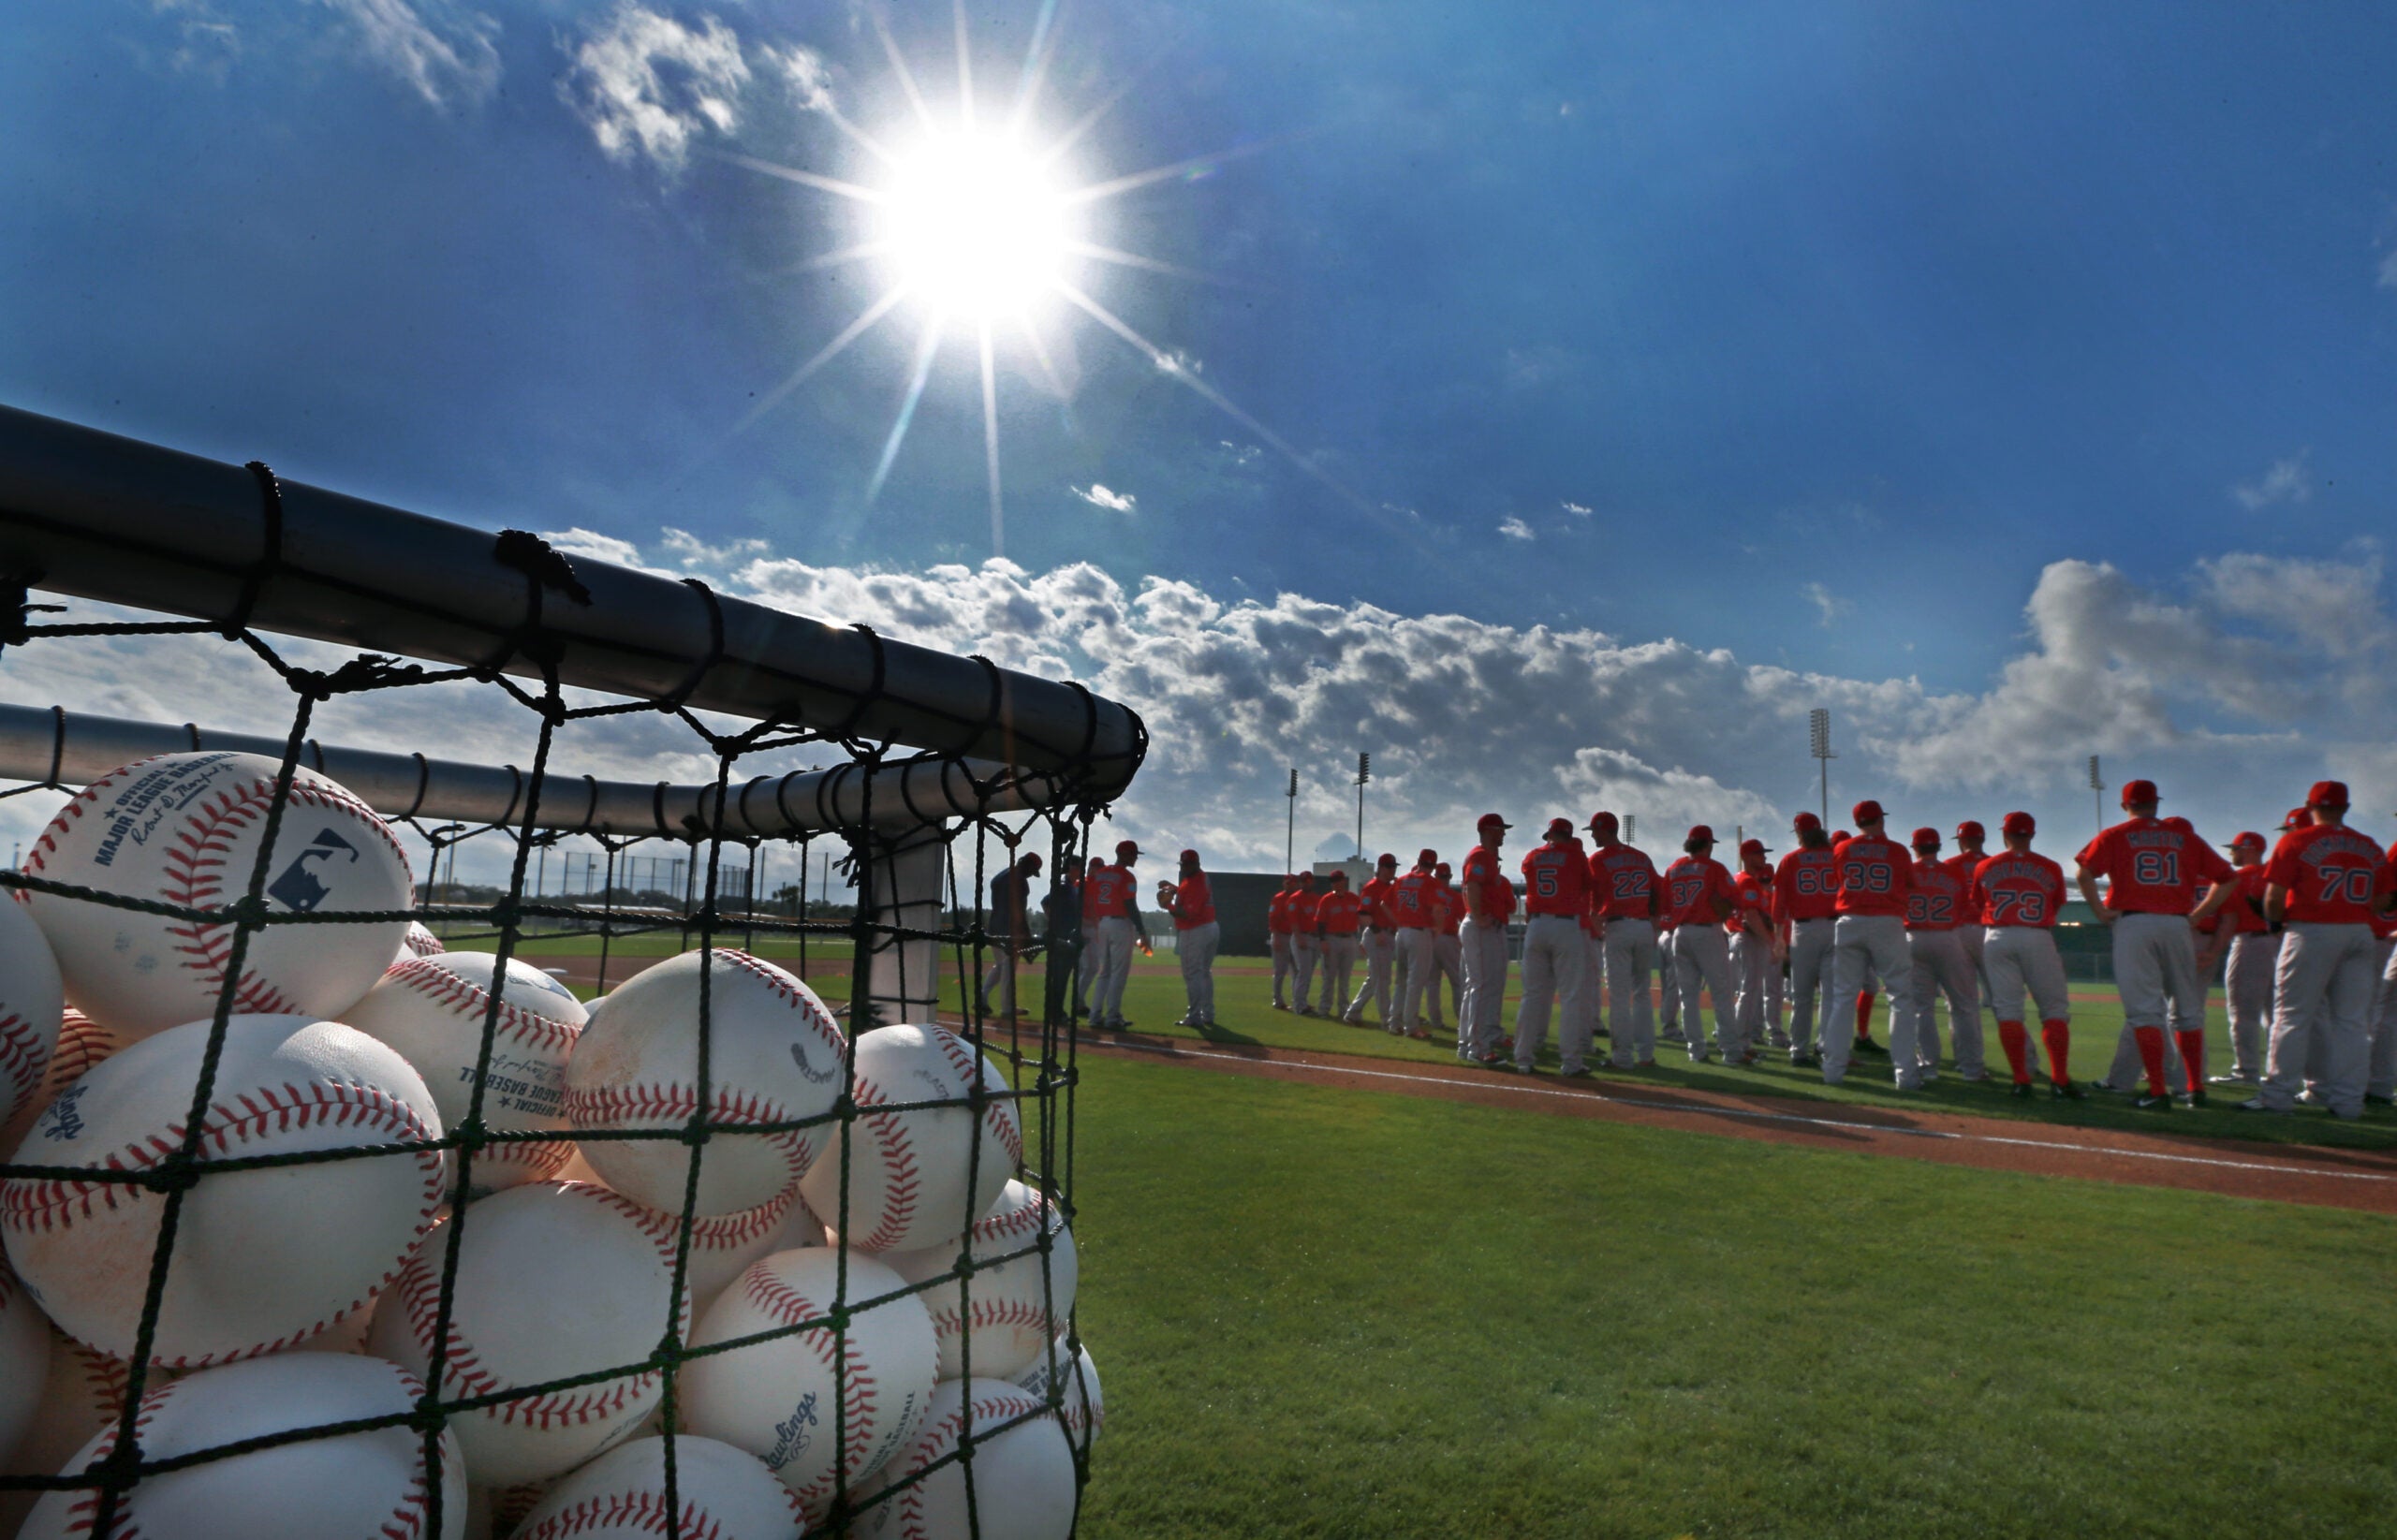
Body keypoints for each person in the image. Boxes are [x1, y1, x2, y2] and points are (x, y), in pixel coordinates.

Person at [2237, 783, 2397, 1120]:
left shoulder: (2295, 839)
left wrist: (2276, 925)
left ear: (2309, 805)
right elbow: (2385, 900)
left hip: (2311, 930)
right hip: (2359, 932)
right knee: (2352, 1022)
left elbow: (2273, 897)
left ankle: (2277, 1095)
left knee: (2293, 1016)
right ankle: (2349, 1102)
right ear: (2347, 807)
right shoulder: (2368, 845)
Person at [2074, 780, 2238, 1109]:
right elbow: (2229, 878)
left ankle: (2159, 1091)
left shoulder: (2114, 835)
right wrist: (2197, 914)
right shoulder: (2185, 837)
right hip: (2177, 923)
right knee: (2188, 1012)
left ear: (2125, 805)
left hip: (2134, 923)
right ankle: (2194, 1089)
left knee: (2145, 1011)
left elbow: (2084, 873)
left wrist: (2100, 911)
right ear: (2156, 803)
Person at [1977, 812, 2078, 1099]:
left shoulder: (1985, 866)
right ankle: (2059, 1080)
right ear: (2031, 835)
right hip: (2037, 934)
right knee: (2054, 1011)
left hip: (1997, 935)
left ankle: (2021, 1081)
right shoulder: (2051, 867)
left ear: (2004, 834)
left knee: (2008, 1011)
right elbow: (2057, 904)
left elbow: (1979, 902)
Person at [1823, 801, 1914, 1087]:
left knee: (1843, 998)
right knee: (1900, 997)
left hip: (1850, 921)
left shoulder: (1842, 848)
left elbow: (1839, 879)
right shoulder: (1898, 851)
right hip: (1887, 921)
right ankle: (1906, 1075)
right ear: (1881, 820)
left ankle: (1833, 1072)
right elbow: (1909, 885)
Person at [1506, 817, 1592, 1075]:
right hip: (1566, 926)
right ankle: (1571, 1062)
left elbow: (1531, 873)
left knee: (1532, 995)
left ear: (1551, 834)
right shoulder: (1576, 856)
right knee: (1570, 997)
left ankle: (1523, 1056)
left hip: (1537, 925)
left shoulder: (1532, 856)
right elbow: (1587, 885)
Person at [2193, 831, 2273, 1085]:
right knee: (2277, 1015)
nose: (2231, 853)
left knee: (2242, 1013)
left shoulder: (2237, 878)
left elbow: (2230, 920)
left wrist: (2214, 951)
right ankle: (2279, 1075)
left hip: (2251, 943)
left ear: (2249, 849)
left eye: (2236, 848)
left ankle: (2246, 1072)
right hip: (2283, 943)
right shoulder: (2277, 875)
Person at [1659, 826, 1744, 1064]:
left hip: (1680, 933)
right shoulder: (1714, 868)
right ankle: (1730, 1051)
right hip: (1707, 932)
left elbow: (1665, 906)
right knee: (1721, 994)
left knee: (1688, 998)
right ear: (1708, 845)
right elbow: (1735, 901)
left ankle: (1696, 1051)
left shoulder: (1673, 868)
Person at [1902, 828, 1979, 1084]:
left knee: (1921, 1008)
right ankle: (1971, 1069)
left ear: (1915, 847)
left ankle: (1929, 1066)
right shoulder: (1953, 871)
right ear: (1938, 847)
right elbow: (1963, 906)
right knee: (1963, 1005)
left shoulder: (1908, 872)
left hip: (1913, 938)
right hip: (1947, 936)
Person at [1590, 812, 1660, 1070]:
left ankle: (1621, 1057)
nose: (1594, 836)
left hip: (1618, 926)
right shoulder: (1641, 857)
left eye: (1595, 831)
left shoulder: (1598, 859)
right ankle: (1646, 1055)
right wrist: (1653, 922)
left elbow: (1591, 895)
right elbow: (1658, 890)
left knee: (1619, 996)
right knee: (1642, 994)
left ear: (1606, 830)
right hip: (1642, 926)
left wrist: (1595, 921)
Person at [1773, 813, 1840, 1068]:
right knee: (1831, 995)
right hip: (1835, 927)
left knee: (1801, 997)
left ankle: (1798, 1051)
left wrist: (1779, 937)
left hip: (1803, 930)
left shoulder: (1791, 860)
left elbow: (1778, 904)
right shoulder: (1836, 855)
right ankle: (1826, 1047)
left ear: (1799, 833)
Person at [1458, 814, 1516, 1064]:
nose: (1503, 833)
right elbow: (1472, 885)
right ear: (1488, 830)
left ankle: (1474, 1042)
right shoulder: (1480, 855)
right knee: (1480, 987)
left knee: (1483, 987)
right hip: (1479, 927)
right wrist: (1479, 915)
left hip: (1487, 926)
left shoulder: (1489, 859)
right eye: (1500, 829)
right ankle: (1476, 1049)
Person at [1942, 820, 1997, 1053]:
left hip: (1958, 933)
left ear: (1961, 841)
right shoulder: (1994, 865)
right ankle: (2026, 1061)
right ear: (1982, 839)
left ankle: (1968, 1059)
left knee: (1961, 1002)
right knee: (2003, 1001)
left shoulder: (1949, 865)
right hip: (1989, 931)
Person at [1085, 841, 1147, 1031]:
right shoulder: (1127, 876)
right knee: (1118, 973)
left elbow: (1095, 900)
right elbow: (1130, 905)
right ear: (1126, 855)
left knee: (1104, 973)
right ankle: (1112, 1017)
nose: (1136, 857)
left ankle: (1095, 1017)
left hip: (1103, 922)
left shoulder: (1101, 873)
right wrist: (1142, 930)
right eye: (1134, 854)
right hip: (1120, 923)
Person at [979, 850, 1044, 1019]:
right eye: (1032, 871)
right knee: (1008, 969)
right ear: (1028, 865)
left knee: (1001, 966)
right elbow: (1018, 912)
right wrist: (1027, 936)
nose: (1031, 875)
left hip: (993, 927)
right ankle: (1007, 1008)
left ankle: (982, 997)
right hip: (1009, 931)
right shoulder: (1020, 881)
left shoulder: (1001, 875)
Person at [1728, 839, 1778, 1054]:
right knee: (1750, 992)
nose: (1764, 857)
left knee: (1750, 992)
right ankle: (1739, 1042)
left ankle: (1740, 1040)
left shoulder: (1742, 879)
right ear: (1747, 857)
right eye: (1759, 853)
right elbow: (1750, 916)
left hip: (1744, 937)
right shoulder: (1747, 881)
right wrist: (1771, 942)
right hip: (1749, 939)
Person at [1162, 848, 1219, 1029]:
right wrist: (1174, 888)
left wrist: (1167, 905)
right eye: (1183, 864)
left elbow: (1187, 913)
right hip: (1208, 927)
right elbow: (1190, 895)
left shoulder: (1197, 882)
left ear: (1197, 864)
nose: (1184, 867)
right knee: (1203, 973)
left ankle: (1194, 1016)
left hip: (1196, 930)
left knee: (1192, 974)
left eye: (1187, 864)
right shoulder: (1196, 879)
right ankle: (1207, 1014)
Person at [1346, 852, 1402, 1027]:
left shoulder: (1392, 887)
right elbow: (1363, 913)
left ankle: (1353, 1013)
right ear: (1382, 868)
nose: (1393, 870)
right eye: (1390, 867)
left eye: (1394, 867)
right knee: (1382, 980)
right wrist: (1377, 933)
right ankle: (1387, 1020)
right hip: (1376, 934)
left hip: (1389, 935)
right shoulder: (1372, 887)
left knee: (1375, 979)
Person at [1390, 849, 1440, 1040]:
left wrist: (1399, 921)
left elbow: (1384, 904)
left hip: (1401, 932)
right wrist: (1439, 928)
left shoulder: (1401, 880)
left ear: (1418, 861)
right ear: (1434, 866)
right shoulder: (1430, 882)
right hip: (1419, 932)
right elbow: (1437, 909)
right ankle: (1411, 1026)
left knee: (1401, 981)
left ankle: (1394, 1023)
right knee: (1416, 982)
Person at [1313, 870, 1363, 1019]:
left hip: (1350, 938)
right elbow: (1320, 922)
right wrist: (1322, 940)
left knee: (1345, 978)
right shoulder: (1326, 899)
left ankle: (1343, 1010)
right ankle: (1324, 1009)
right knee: (1329, 977)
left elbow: (1361, 920)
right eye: (1334, 881)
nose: (1337, 883)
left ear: (1344, 881)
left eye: (1339, 880)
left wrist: (1361, 940)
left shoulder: (1354, 899)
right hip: (1332, 938)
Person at [1427, 861, 1465, 1037]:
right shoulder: (1454, 896)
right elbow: (1464, 919)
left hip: (1430, 939)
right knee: (1457, 982)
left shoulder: (1429, 894)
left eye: (1446, 877)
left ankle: (1435, 1021)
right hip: (1447, 939)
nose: (1446, 880)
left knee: (1433, 983)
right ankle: (1462, 1020)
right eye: (1445, 876)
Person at [1267, 873, 1299, 1011]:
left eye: (1292, 882)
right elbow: (1272, 919)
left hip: (1295, 937)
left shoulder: (1298, 898)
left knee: (1297, 971)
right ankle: (1277, 1000)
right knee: (1280, 970)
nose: (1289, 885)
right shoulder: (1278, 898)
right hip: (1281, 936)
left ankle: (1298, 1000)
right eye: (1287, 882)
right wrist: (1276, 937)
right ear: (1283, 884)